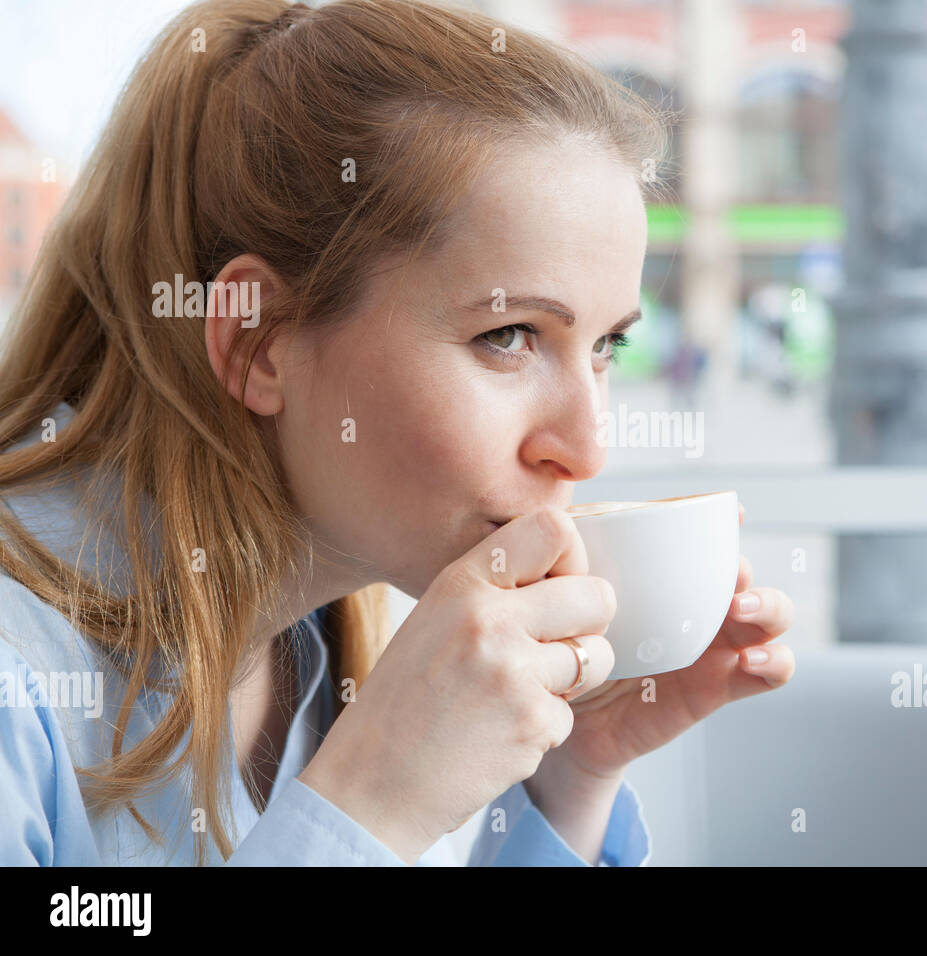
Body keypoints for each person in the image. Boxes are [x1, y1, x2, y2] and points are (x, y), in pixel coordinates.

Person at [0, 0, 795, 866]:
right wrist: (365, 811)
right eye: (508, 336)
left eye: (607, 345)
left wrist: (569, 782)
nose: (587, 448)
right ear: (259, 341)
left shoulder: (333, 651)